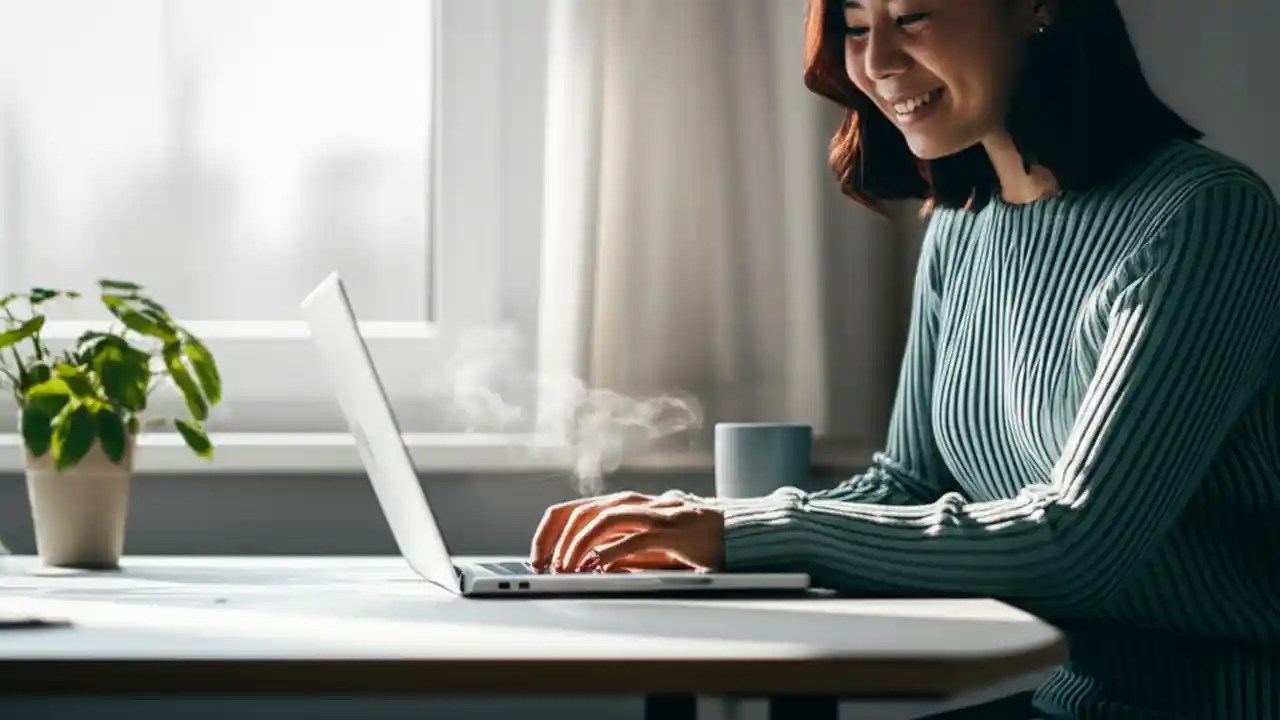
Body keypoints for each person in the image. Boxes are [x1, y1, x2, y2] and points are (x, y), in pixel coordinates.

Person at [530, 0, 1280, 717]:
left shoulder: (1204, 217)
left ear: (1038, 4)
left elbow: (1078, 544)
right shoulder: (964, 225)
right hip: (1067, 700)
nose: (876, 62)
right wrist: (701, 528)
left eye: (911, 18)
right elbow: (910, 485)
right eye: (855, 27)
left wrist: (743, 534)